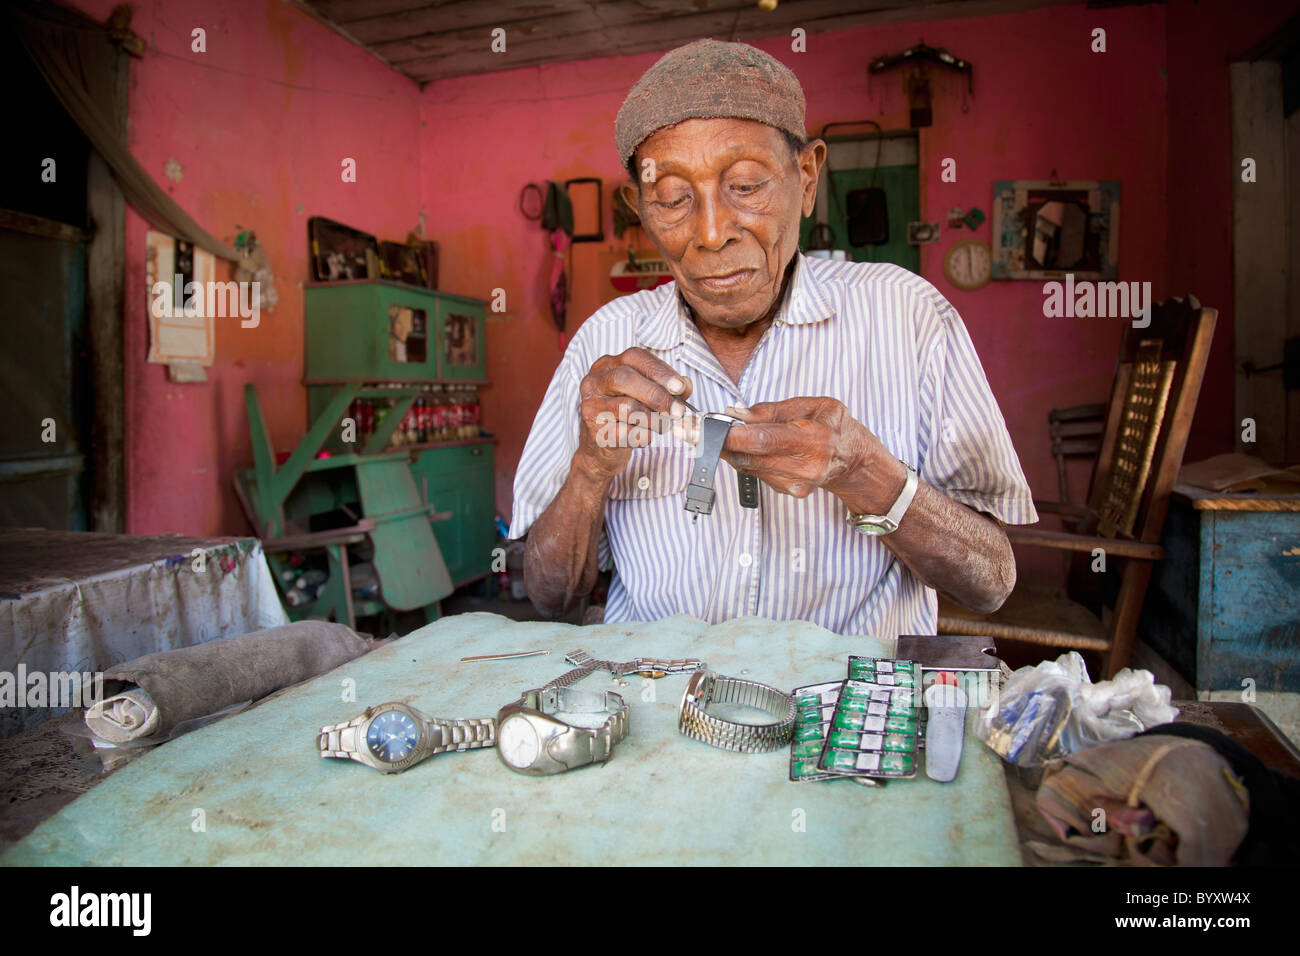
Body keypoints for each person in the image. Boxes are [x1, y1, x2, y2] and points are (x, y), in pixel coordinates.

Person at [509, 38, 1037, 638]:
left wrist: (865, 473)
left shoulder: (909, 317)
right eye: (673, 199)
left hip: (846, 714)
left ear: (807, 177)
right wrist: (589, 468)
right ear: (638, 206)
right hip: (659, 706)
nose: (710, 233)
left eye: (746, 185)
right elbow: (550, 598)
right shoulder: (603, 343)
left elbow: (991, 583)